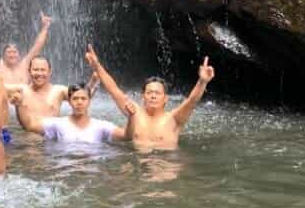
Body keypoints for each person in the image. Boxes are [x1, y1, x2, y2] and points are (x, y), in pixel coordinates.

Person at [84, 44, 215, 151]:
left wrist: (202, 81)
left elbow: (192, 101)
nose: (153, 96)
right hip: (139, 168)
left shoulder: (174, 118)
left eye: (157, 93)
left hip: (166, 167)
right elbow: (114, 90)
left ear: (165, 99)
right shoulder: (134, 113)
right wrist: (96, 65)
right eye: (149, 92)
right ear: (143, 97)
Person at [28, 79, 127, 145]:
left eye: (83, 99)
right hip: (64, 172)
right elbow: (29, 125)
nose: (79, 102)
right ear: (69, 101)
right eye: (75, 98)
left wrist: (132, 116)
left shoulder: (101, 126)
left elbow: (127, 135)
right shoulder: (57, 123)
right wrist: (21, 102)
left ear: (89, 101)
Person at [0, 8, 52, 83]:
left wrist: (45, 27)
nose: (12, 55)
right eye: (9, 52)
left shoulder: (25, 65)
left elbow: (37, 46)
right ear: (3, 55)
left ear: (19, 55)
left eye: (14, 52)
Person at [7, 56, 68, 132]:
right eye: (36, 70)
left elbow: (84, 94)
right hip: (26, 141)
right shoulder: (21, 90)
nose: (39, 73)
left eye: (43, 70)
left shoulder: (59, 91)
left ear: (49, 72)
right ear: (29, 71)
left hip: (51, 140)